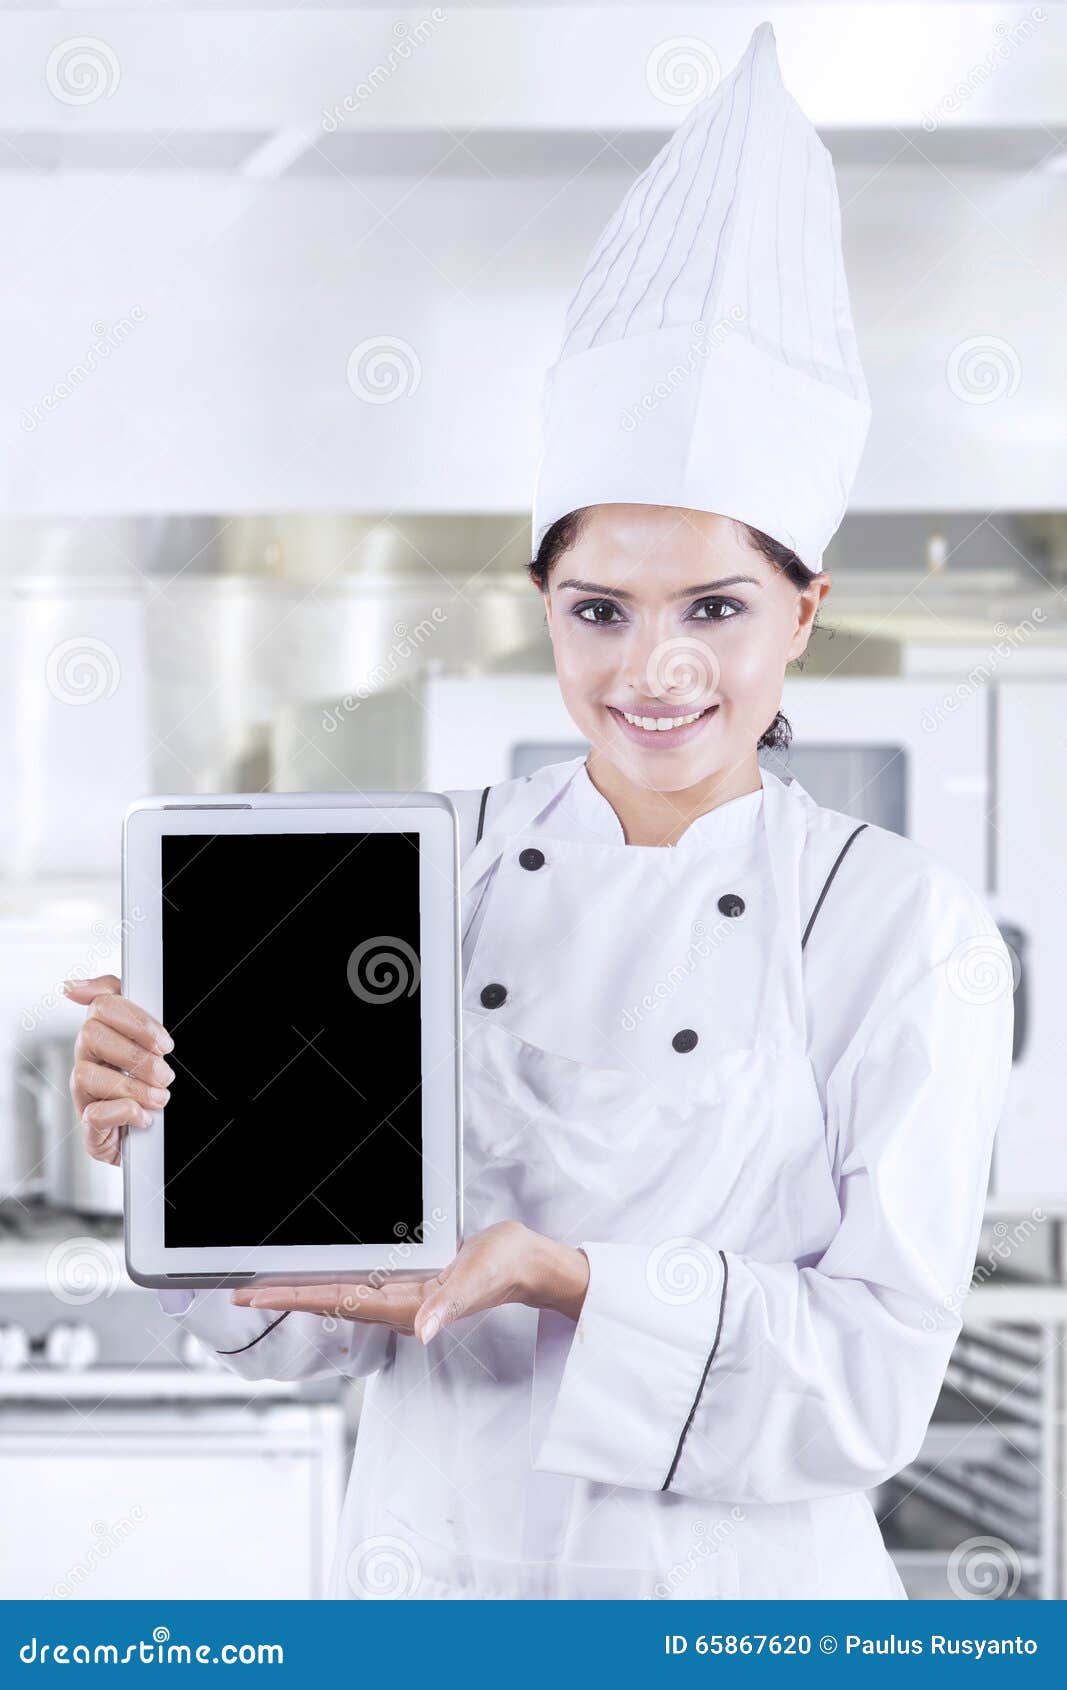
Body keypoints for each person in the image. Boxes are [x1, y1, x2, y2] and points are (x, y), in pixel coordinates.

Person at [67, 24, 1013, 1600]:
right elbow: (290, 1325)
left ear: (806, 609)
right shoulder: (401, 872)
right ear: (542, 608)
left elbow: (874, 1381)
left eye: (714, 606)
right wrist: (176, 1153)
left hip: (733, 1611)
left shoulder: (898, 928)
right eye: (599, 611)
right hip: (431, 1585)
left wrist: (568, 1277)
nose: (654, 670)